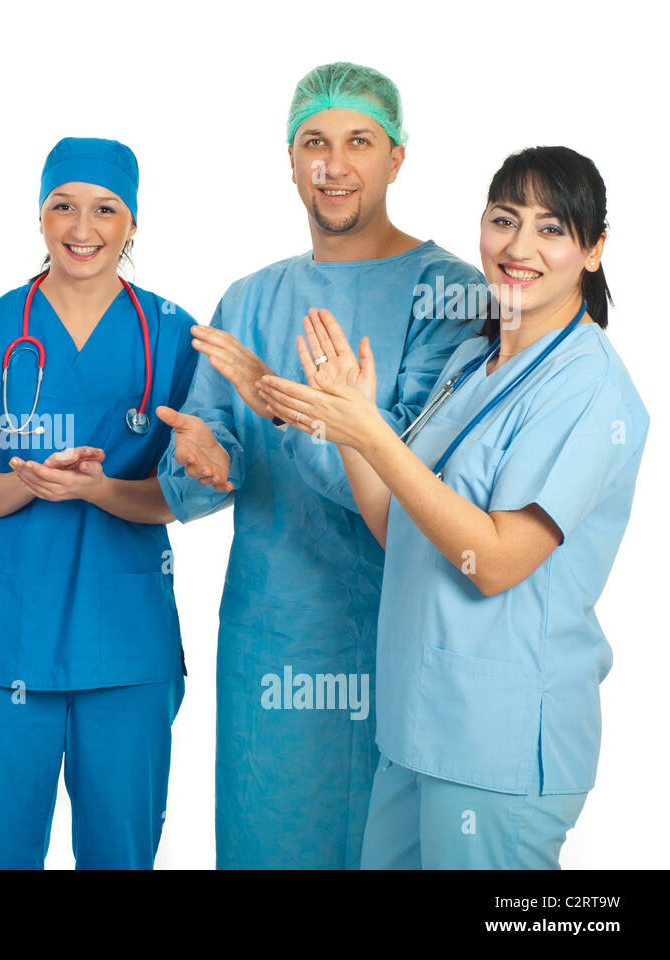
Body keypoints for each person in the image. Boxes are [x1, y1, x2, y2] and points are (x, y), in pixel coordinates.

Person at [255, 146, 648, 869]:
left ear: (594, 250)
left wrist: (373, 433)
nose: (519, 247)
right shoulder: (473, 361)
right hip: (415, 730)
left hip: (496, 746)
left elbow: (495, 561)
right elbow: (398, 527)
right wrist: (353, 423)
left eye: (553, 229)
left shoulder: (587, 387)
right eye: (504, 220)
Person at [156, 62, 485, 869]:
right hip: (272, 645)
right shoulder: (249, 299)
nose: (333, 165)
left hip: (397, 640)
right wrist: (198, 464)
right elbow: (201, 466)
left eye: (358, 142)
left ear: (397, 158)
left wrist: (280, 402)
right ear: (291, 158)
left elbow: (402, 490)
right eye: (314, 143)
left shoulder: (451, 295)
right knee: (269, 840)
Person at [0, 137, 198, 869]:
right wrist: (29, 481)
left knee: (121, 855)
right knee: (0, 854)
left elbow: (178, 498)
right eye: (63, 206)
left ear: (132, 223)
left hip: (126, 643)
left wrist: (99, 489)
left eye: (105, 209)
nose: (82, 228)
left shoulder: (175, 336)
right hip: (6, 638)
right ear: (40, 215)